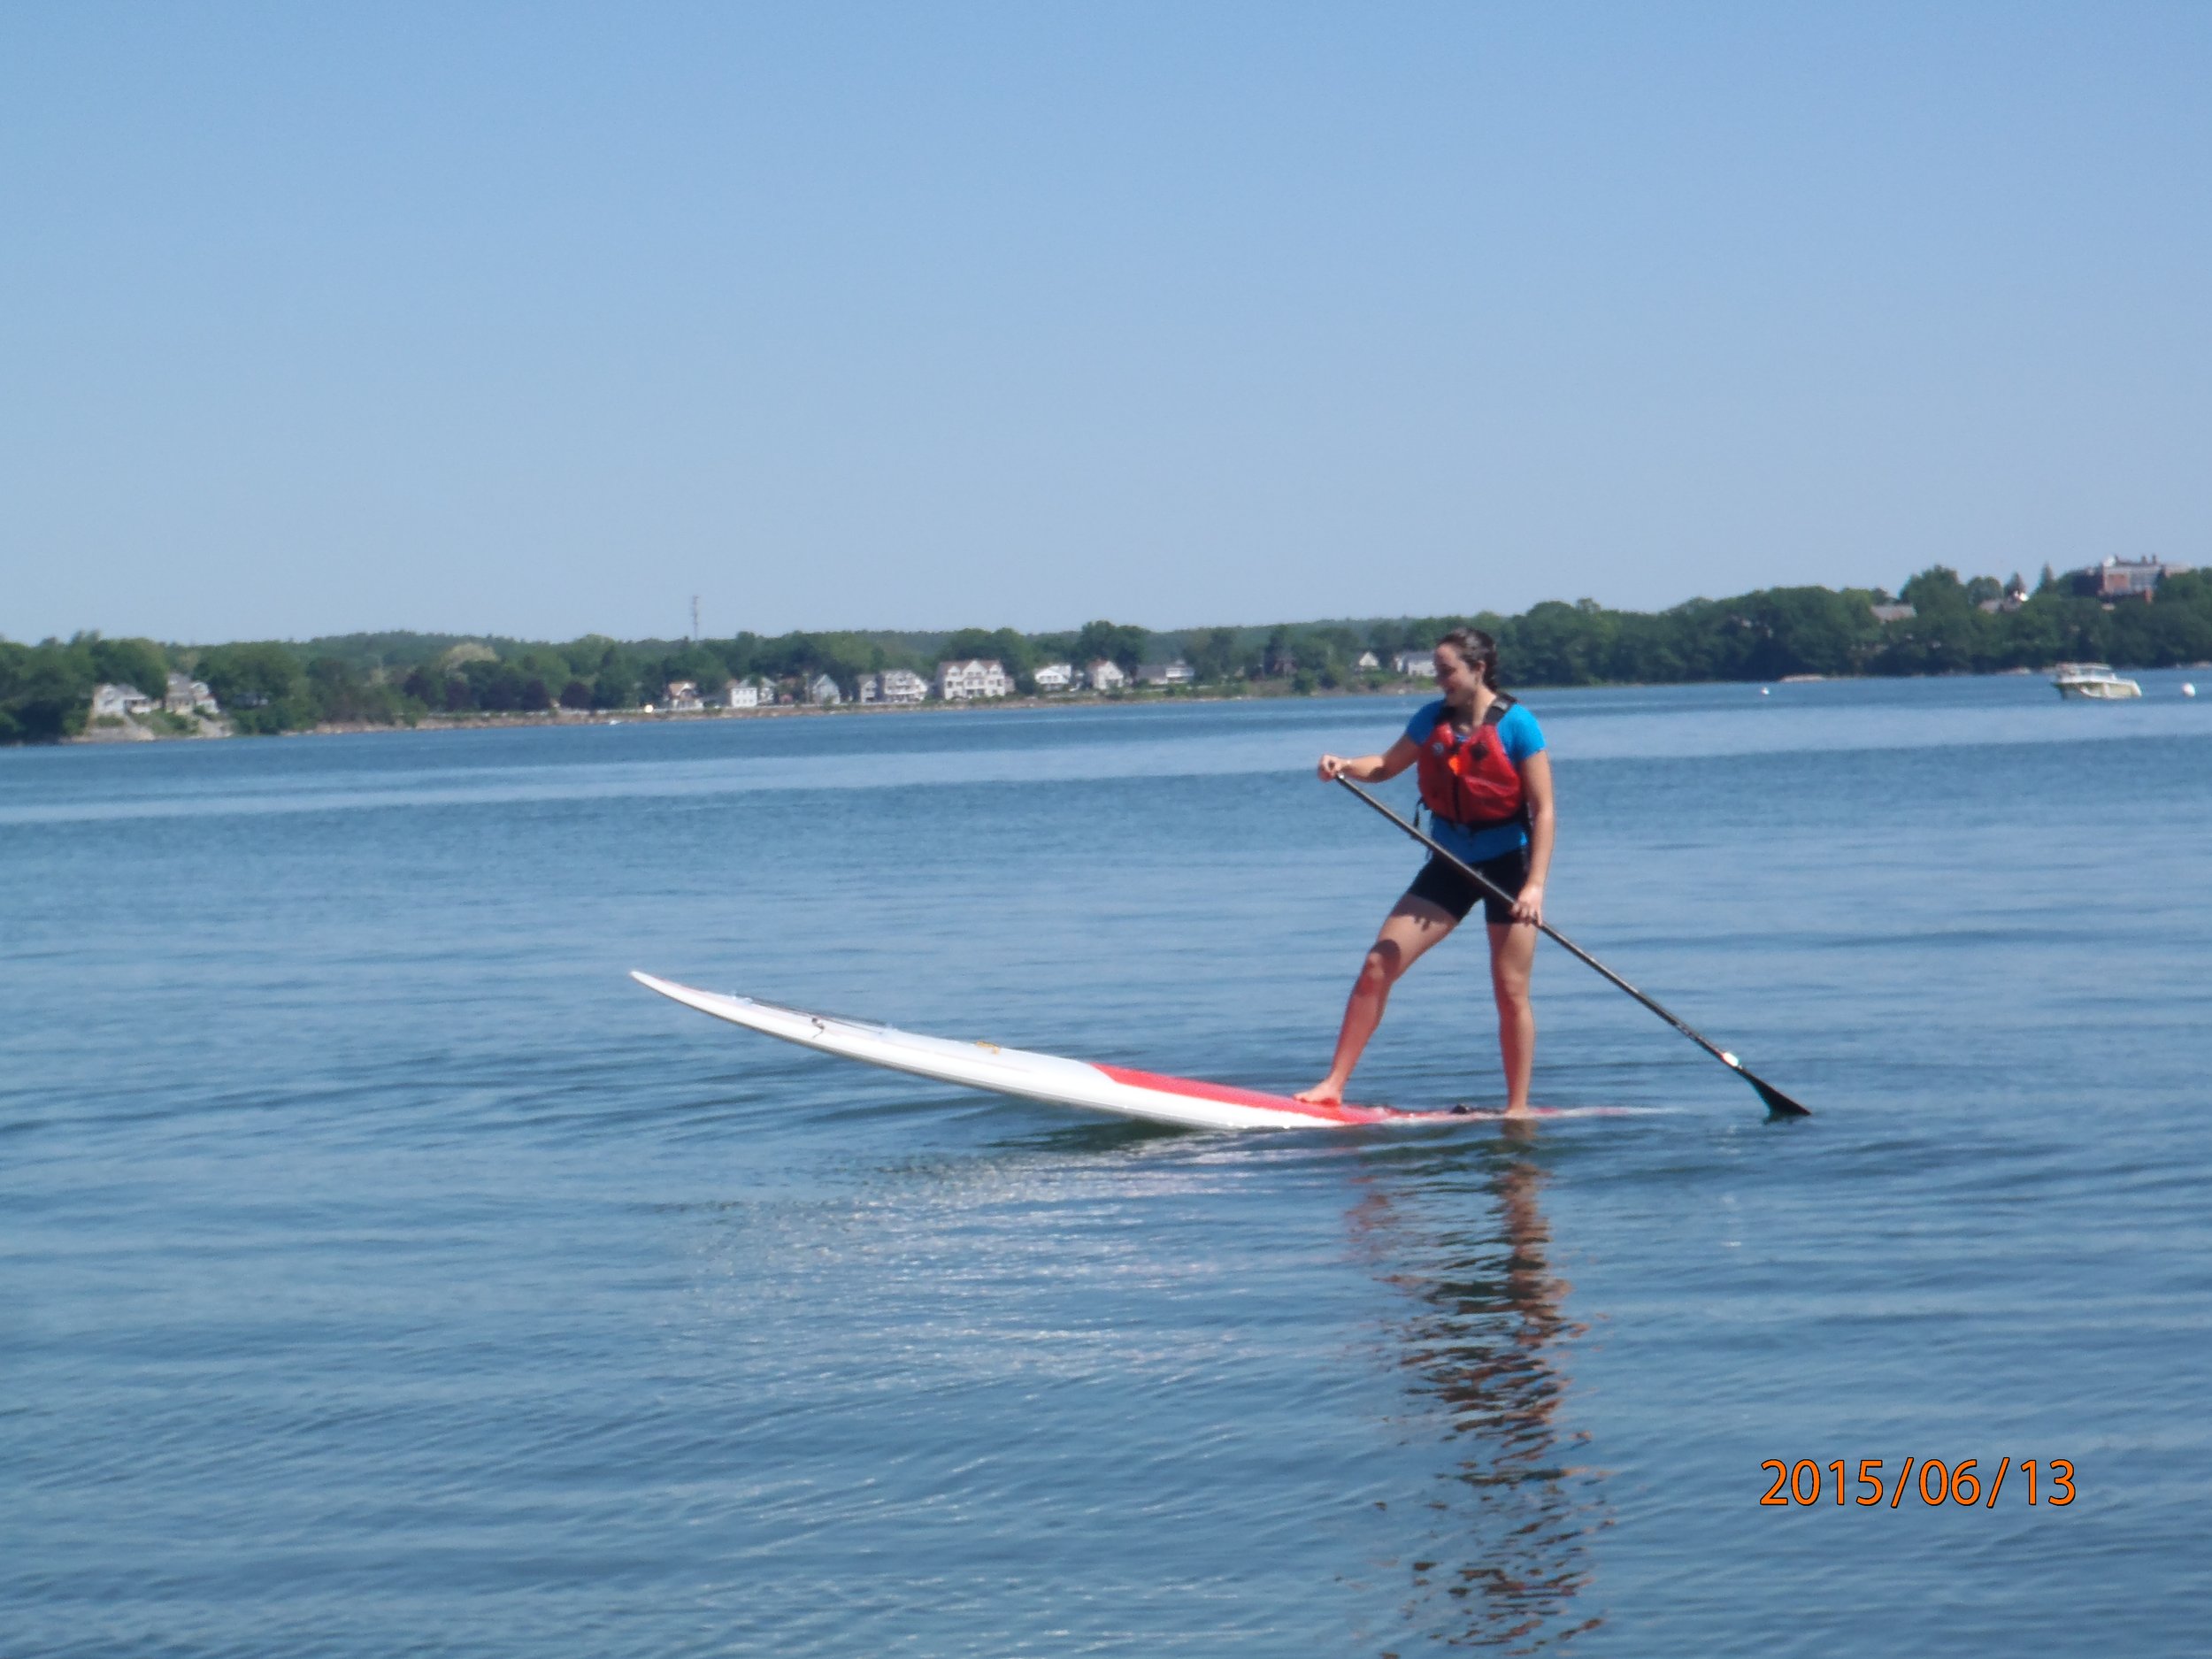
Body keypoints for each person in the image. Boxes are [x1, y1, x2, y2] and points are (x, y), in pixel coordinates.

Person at [1297, 628, 1555, 1114]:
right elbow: (1386, 767)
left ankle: (1517, 1109)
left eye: (1447, 671)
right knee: (1379, 963)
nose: (1440, 682)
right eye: (1437, 672)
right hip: (1451, 861)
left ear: (1478, 669)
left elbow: (1544, 810)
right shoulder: (1430, 719)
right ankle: (1333, 1083)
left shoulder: (1519, 724)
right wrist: (1345, 764)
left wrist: (1535, 886)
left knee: (1510, 989)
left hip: (1509, 866)